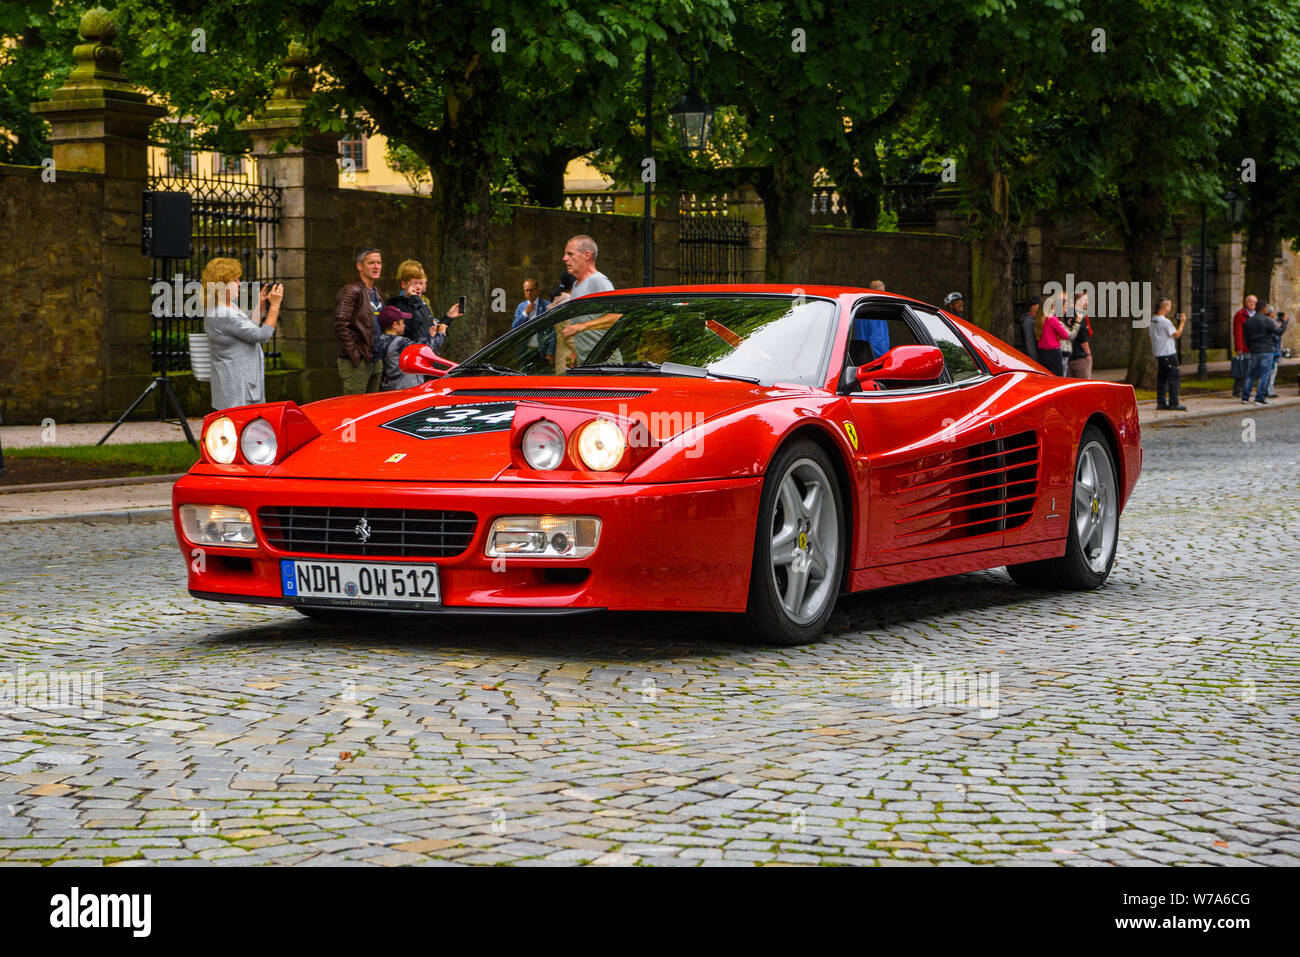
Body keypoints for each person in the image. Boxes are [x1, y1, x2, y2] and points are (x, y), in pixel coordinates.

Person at [201, 257, 283, 411]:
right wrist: (275, 306)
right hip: (237, 385)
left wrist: (261, 305)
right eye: (235, 280)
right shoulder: (223, 313)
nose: (239, 284)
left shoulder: (224, 307)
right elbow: (262, 336)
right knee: (242, 427)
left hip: (236, 380)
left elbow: (248, 330)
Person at [557, 235, 616, 363]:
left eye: (570, 254)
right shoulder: (576, 285)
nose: (564, 258)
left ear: (586, 255)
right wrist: (576, 353)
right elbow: (585, 320)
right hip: (587, 361)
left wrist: (580, 327)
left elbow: (616, 317)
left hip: (605, 362)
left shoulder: (598, 281)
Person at [335, 248, 385, 394]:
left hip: (376, 360)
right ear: (360, 266)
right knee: (354, 408)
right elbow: (340, 323)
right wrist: (356, 355)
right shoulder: (351, 290)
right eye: (371, 263)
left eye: (379, 263)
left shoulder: (376, 292)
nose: (376, 266)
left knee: (372, 408)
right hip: (357, 362)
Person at [386, 259, 460, 353]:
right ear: (404, 284)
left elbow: (428, 328)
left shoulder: (422, 303)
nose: (418, 287)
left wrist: (448, 317)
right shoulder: (398, 306)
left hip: (428, 354)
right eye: (414, 283)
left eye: (421, 283)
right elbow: (417, 326)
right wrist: (416, 300)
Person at [1148, 298, 1188, 410]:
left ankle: (1161, 402)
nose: (1170, 308)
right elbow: (1176, 334)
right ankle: (1174, 402)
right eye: (1169, 305)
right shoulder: (1165, 321)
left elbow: (1150, 337)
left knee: (1162, 378)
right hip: (1168, 353)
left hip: (1159, 353)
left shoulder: (1152, 320)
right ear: (1164, 307)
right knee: (1174, 377)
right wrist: (1182, 322)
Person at [376, 305, 424, 391]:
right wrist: (440, 334)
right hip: (406, 390)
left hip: (389, 388)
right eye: (403, 322)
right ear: (395, 325)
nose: (405, 325)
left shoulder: (379, 339)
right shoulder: (400, 343)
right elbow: (424, 349)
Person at [1241, 304, 1281, 405]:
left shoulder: (1249, 321)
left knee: (1251, 375)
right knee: (1264, 374)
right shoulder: (1267, 321)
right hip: (1266, 350)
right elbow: (1279, 331)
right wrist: (1284, 322)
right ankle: (1259, 397)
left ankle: (1245, 397)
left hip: (1254, 351)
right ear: (1263, 309)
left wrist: (1250, 347)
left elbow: (1245, 337)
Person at [1033, 293, 1071, 376]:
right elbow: (1065, 335)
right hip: (1054, 352)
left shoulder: (1039, 320)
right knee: (1058, 377)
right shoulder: (1052, 319)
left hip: (1042, 353)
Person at [1231, 294, 1257, 397]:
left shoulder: (1256, 315)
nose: (1252, 304)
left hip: (1254, 347)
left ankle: (1246, 390)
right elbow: (1237, 332)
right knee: (1243, 369)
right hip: (1244, 347)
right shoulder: (1240, 314)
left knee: (1250, 370)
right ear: (1245, 303)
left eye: (1254, 302)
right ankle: (1238, 390)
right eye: (1250, 301)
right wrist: (1239, 347)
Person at [1064, 291, 1094, 379]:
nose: (1087, 303)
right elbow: (1082, 337)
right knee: (1085, 387)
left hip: (1069, 356)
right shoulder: (1079, 314)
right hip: (1080, 357)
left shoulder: (1066, 313)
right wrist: (1088, 354)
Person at [1266, 308, 1288, 398]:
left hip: (1273, 349)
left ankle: (1269, 390)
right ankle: (1268, 391)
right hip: (1272, 350)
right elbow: (1278, 333)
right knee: (1271, 371)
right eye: (1272, 312)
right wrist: (1285, 322)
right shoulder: (1269, 323)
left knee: (1272, 370)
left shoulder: (1271, 322)